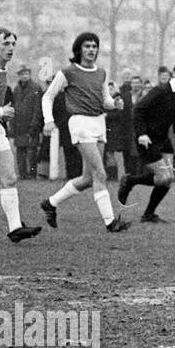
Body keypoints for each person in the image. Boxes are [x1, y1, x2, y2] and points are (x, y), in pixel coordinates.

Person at [39, 32, 130, 233]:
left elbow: (104, 100)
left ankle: (51, 203)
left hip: (99, 122)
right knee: (101, 172)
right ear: (79, 49)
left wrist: (114, 104)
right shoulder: (68, 72)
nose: (91, 50)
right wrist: (49, 121)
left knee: (88, 178)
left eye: (94, 46)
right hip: (80, 123)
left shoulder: (101, 73)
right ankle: (110, 222)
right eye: (87, 46)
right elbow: (48, 96)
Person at [117, 59, 175, 224]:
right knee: (164, 176)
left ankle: (148, 214)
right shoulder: (161, 91)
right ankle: (130, 181)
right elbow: (138, 109)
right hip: (147, 139)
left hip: (163, 138)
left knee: (168, 178)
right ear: (174, 74)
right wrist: (141, 134)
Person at [0, 28, 42, 241]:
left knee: (9, 177)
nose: (11, 48)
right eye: (6, 43)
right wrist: (0, 112)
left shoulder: (3, 70)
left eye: (13, 44)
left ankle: (15, 228)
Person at [11, 64, 43, 180]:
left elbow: (37, 109)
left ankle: (32, 174)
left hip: (31, 126)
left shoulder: (36, 88)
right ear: (19, 76)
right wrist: (12, 126)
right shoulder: (16, 89)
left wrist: (34, 125)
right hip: (19, 126)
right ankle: (22, 174)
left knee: (31, 152)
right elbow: (13, 108)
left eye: (26, 73)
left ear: (29, 74)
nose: (24, 76)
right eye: (22, 74)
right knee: (20, 152)